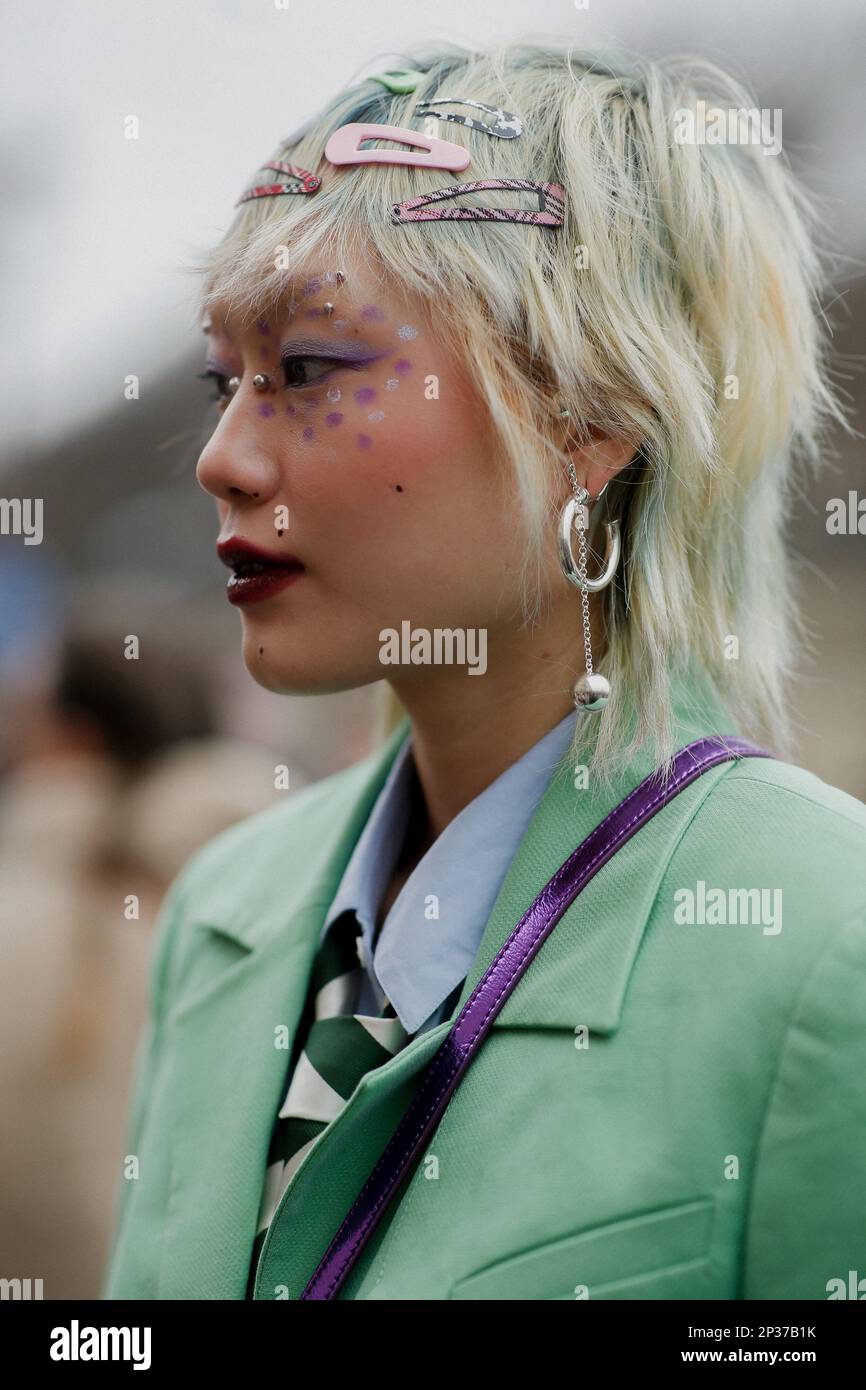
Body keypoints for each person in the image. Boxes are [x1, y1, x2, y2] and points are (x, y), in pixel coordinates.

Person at [103, 39, 866, 1301]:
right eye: (220, 379)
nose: (221, 457)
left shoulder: (825, 941)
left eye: (305, 370)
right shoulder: (223, 913)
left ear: (587, 414)